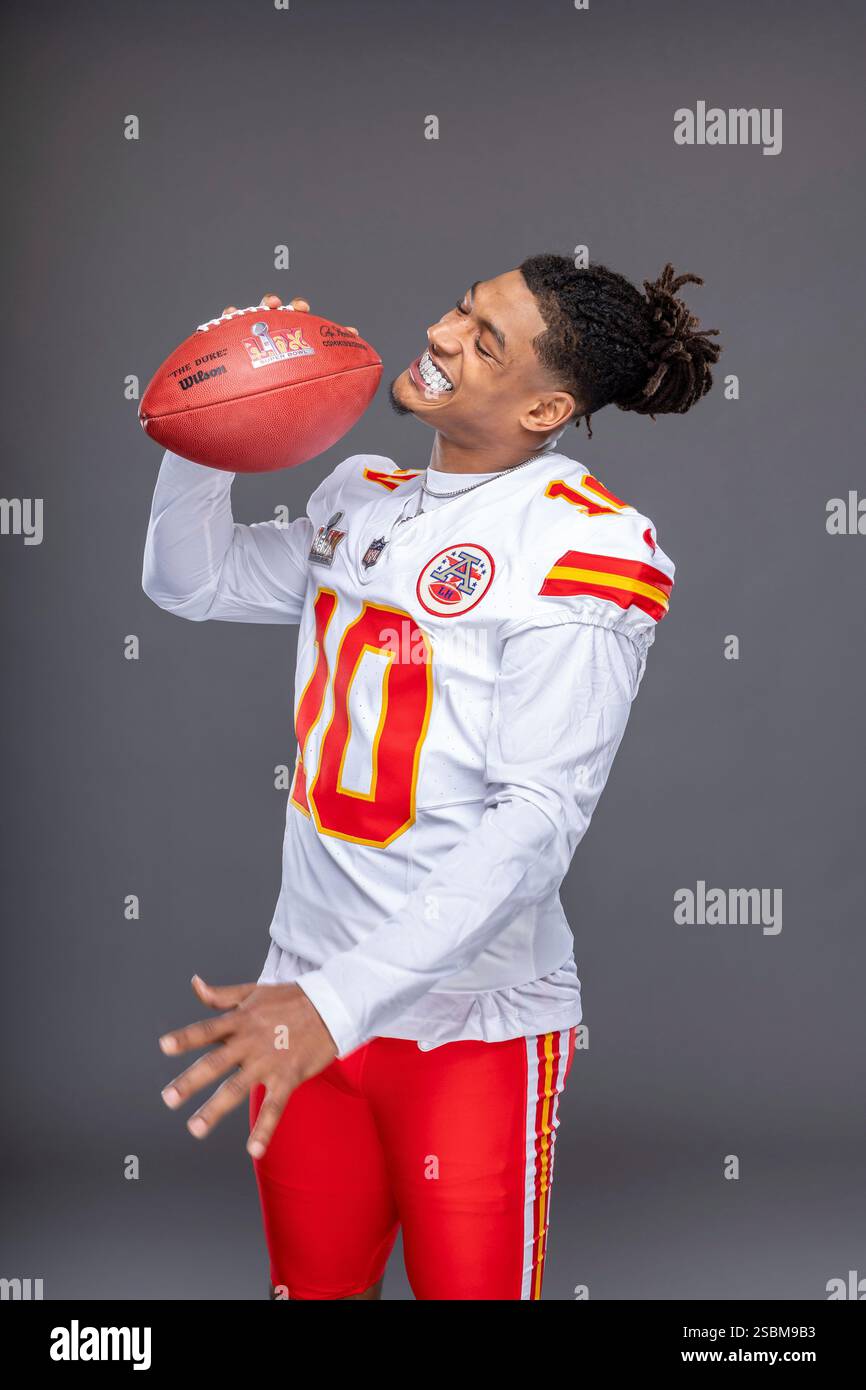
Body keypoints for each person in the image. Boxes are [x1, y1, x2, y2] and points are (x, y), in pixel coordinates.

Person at [144, 254, 720, 1300]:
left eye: (484, 339)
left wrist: (334, 1002)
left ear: (545, 404)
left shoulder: (580, 543)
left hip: (469, 1028)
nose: (445, 334)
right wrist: (204, 407)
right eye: (462, 306)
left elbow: (534, 824)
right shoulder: (360, 496)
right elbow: (189, 581)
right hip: (301, 990)